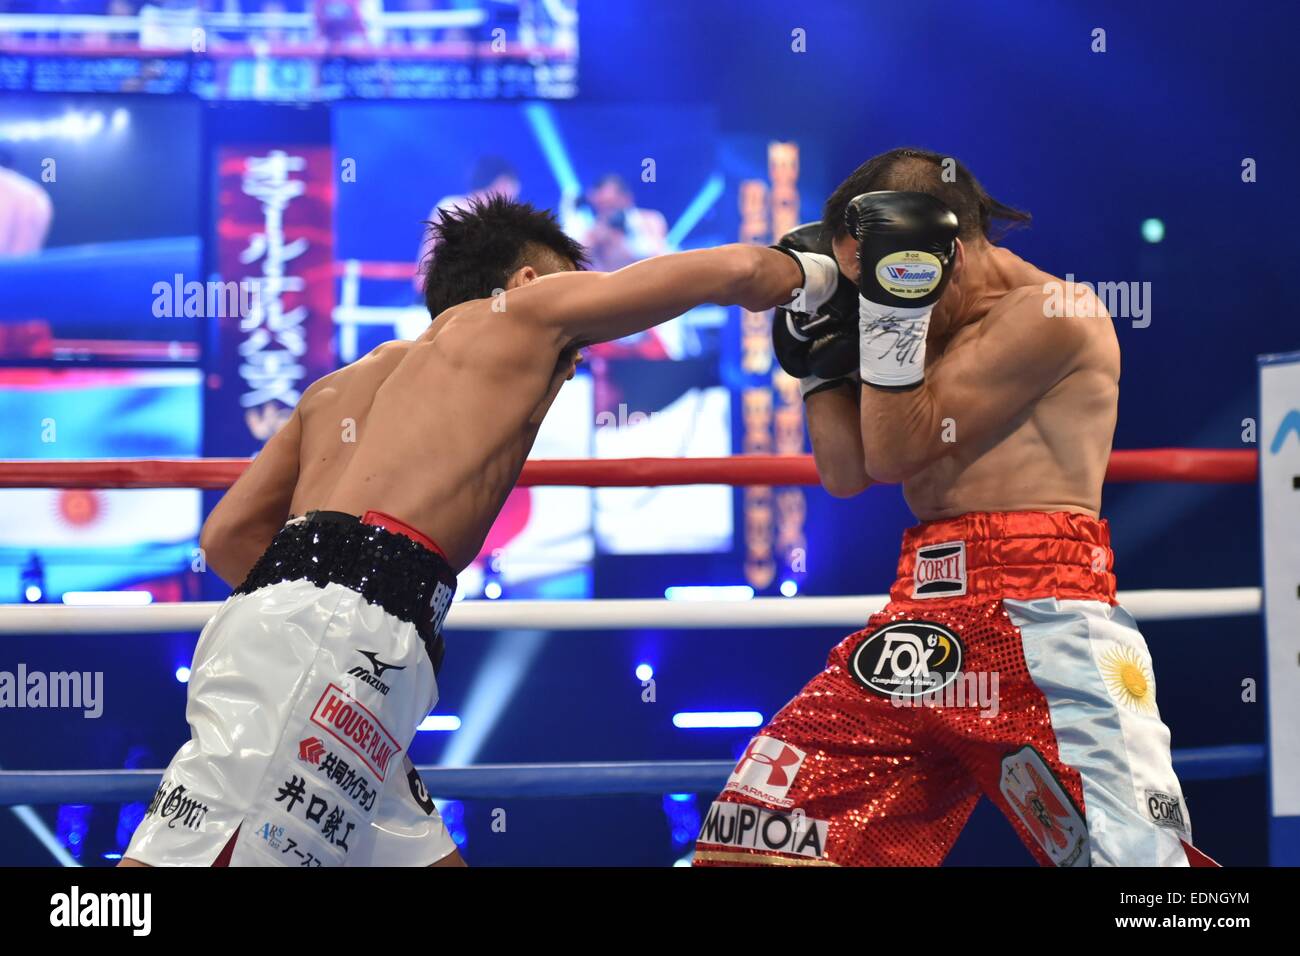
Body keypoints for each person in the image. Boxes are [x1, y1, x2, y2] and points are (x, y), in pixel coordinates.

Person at [122, 195, 810, 867]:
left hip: (339, 646)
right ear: (530, 283)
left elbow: (226, 539)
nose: (576, 360)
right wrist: (815, 271)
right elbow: (741, 272)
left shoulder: (339, 386)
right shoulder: (518, 316)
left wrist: (306, 612)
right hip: (339, 644)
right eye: (576, 319)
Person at [694, 147, 1215, 867]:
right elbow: (846, 473)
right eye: (859, 286)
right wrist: (818, 365)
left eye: (880, 278)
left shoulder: (1050, 313)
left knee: (1138, 871)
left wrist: (885, 318)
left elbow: (898, 450)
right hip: (920, 618)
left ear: (946, 253)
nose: (867, 299)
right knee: (763, 829)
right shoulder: (916, 328)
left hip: (1044, 615)